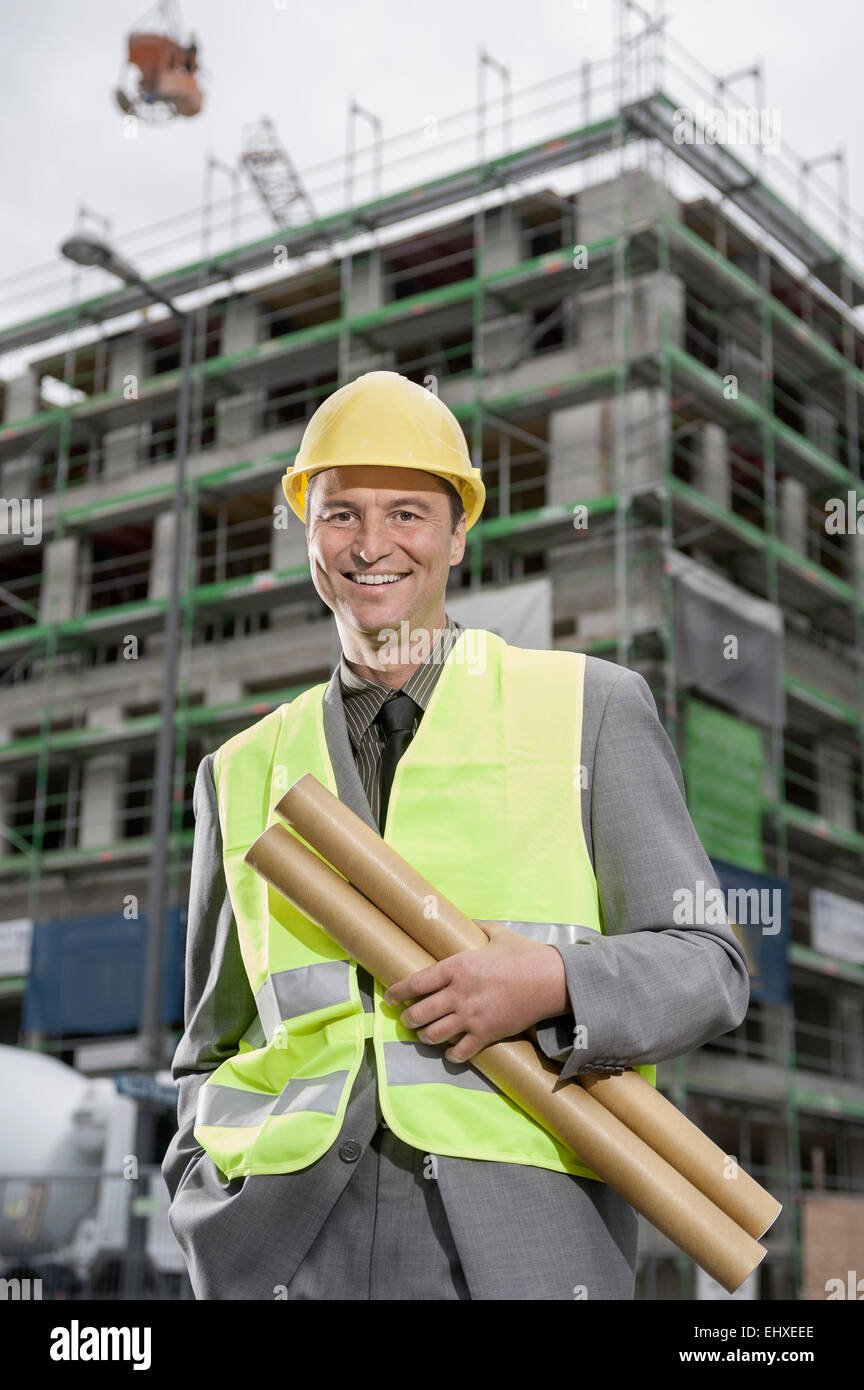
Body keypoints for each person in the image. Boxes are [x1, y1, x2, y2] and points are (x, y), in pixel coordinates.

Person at [162, 370, 749, 1301]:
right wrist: (204, 1190)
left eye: (407, 513)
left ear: (457, 533)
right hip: (280, 1244)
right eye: (341, 513)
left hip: (520, 1248)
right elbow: (210, 1042)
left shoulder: (590, 707)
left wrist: (552, 983)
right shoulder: (237, 769)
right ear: (308, 533)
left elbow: (710, 967)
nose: (372, 545)